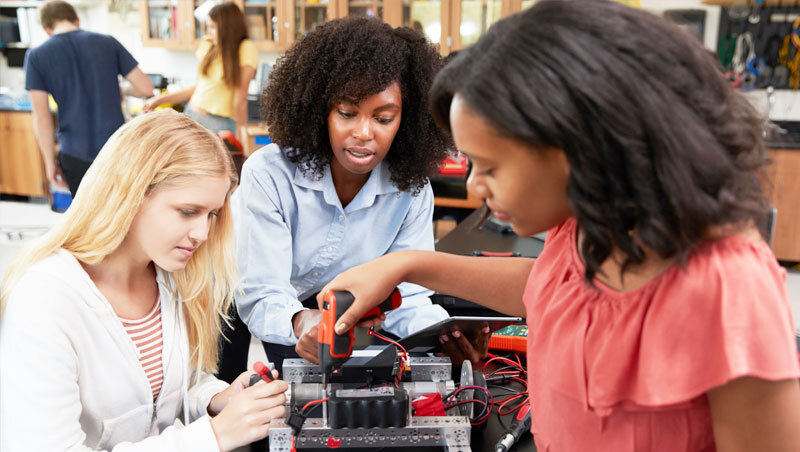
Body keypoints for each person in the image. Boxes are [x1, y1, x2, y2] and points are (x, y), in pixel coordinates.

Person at [317, 1, 800, 451]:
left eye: (489, 166)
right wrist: (404, 264)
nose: (474, 189)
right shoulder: (586, 227)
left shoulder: (728, 289)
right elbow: (552, 284)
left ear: (579, 146)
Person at [0, 110, 287, 451]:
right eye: (187, 211)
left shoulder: (171, 276)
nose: (203, 233)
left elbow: (168, 390)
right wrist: (214, 435)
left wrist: (215, 399)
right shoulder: (45, 299)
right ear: (131, 193)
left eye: (212, 215)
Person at [223, 17, 490, 379]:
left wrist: (445, 336)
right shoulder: (269, 174)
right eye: (347, 113)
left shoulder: (410, 190)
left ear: (406, 121)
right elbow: (263, 293)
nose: (364, 133)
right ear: (320, 110)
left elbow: (408, 298)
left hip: (332, 310)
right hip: (238, 297)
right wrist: (302, 322)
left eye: (383, 118)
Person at [25, 0, 155, 197]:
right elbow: (146, 88)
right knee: (122, 214)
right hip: (117, 147)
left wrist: (49, 162)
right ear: (77, 20)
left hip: (74, 152)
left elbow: (42, 117)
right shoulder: (107, 42)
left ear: (46, 29)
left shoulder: (36, 56)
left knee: (86, 219)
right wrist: (119, 88)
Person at [143, 1, 257, 136]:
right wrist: (160, 99)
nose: (209, 32)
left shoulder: (246, 47)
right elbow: (198, 88)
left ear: (228, 27)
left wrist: (242, 133)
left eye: (213, 27)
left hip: (219, 125)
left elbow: (241, 98)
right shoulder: (210, 46)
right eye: (208, 27)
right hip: (191, 114)